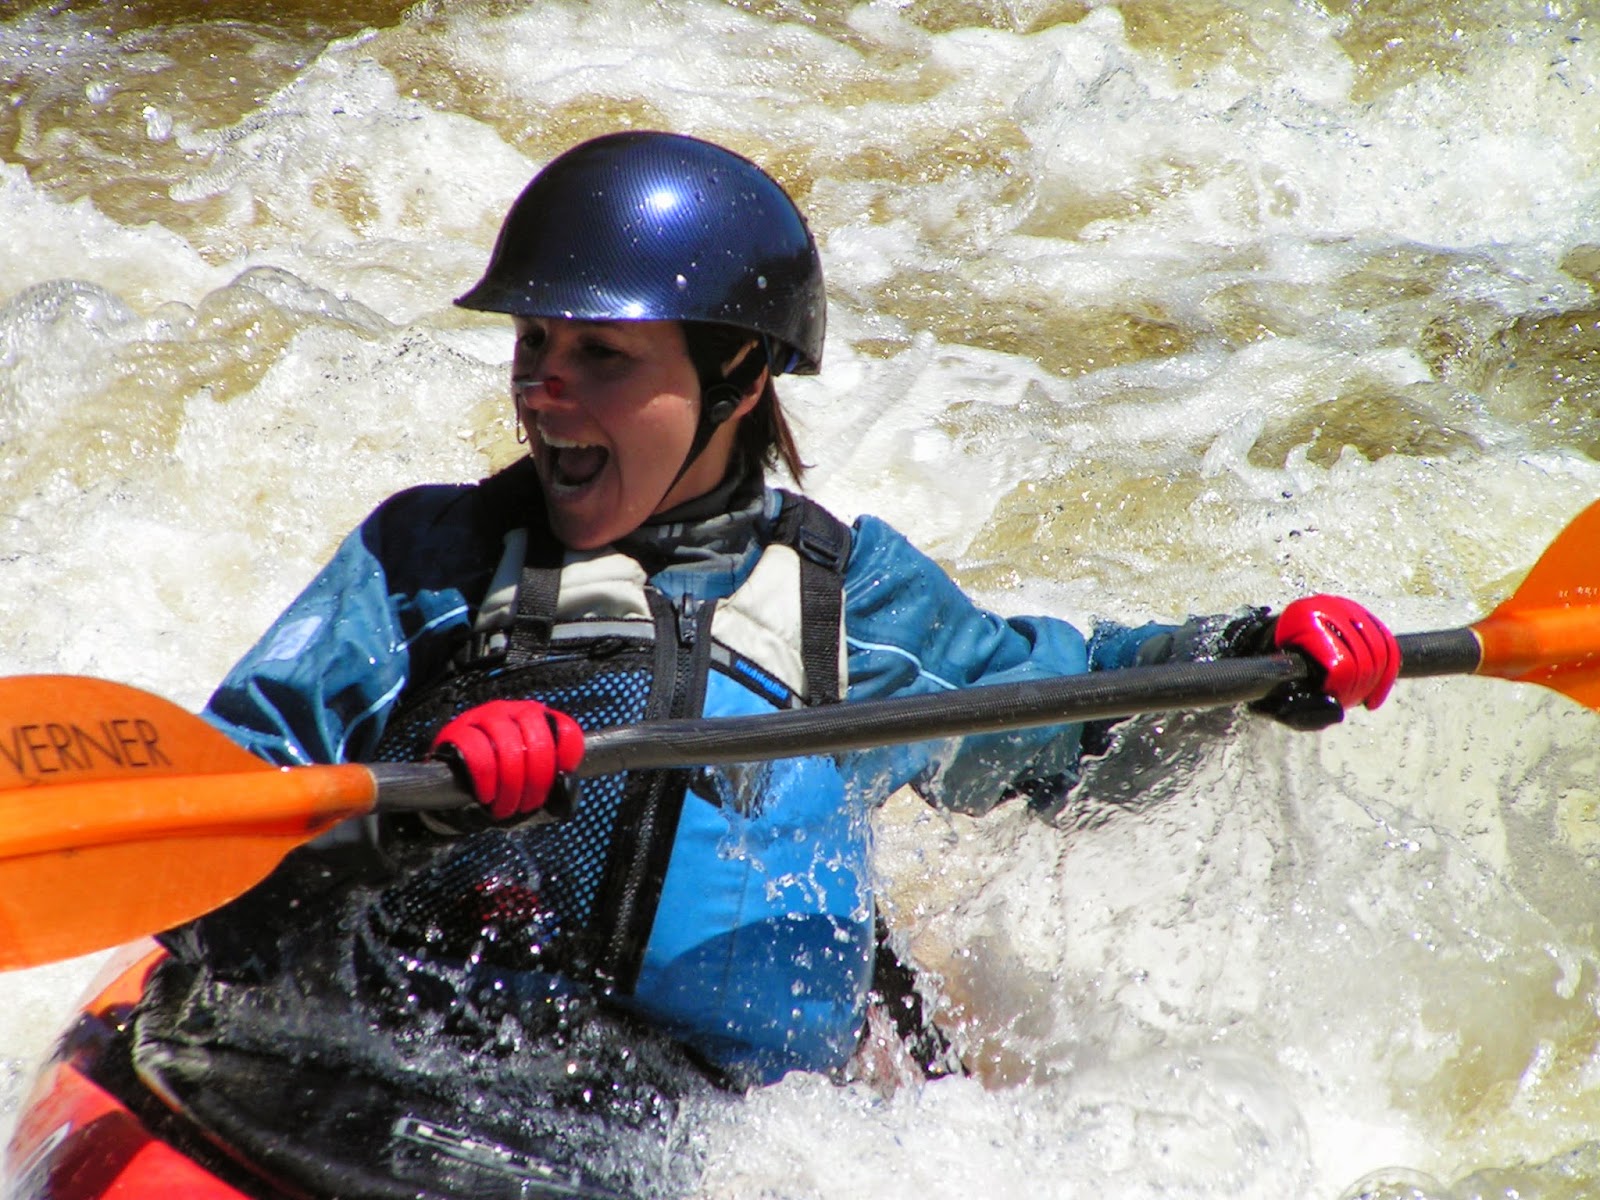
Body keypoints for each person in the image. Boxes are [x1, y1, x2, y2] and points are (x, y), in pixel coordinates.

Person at [134, 131, 1400, 1200]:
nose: (544, 393)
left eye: (602, 359)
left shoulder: (850, 609)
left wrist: (1250, 663)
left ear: (737, 376)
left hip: (695, 1131)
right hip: (364, 1064)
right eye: (534, 347)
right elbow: (204, 833)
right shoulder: (430, 560)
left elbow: (1074, 724)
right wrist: (408, 818)